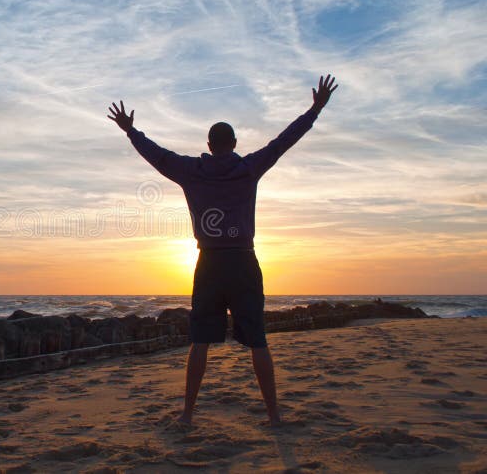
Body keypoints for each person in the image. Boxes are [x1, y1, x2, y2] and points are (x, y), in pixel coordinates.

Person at [106, 75, 338, 426]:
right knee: (258, 341)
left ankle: (187, 415)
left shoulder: (192, 170)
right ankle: (274, 416)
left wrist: (130, 131)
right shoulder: (247, 168)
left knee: (200, 341)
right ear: (234, 143)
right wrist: (315, 110)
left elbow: (156, 155)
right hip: (244, 261)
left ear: (209, 144)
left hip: (209, 263)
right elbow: (282, 142)